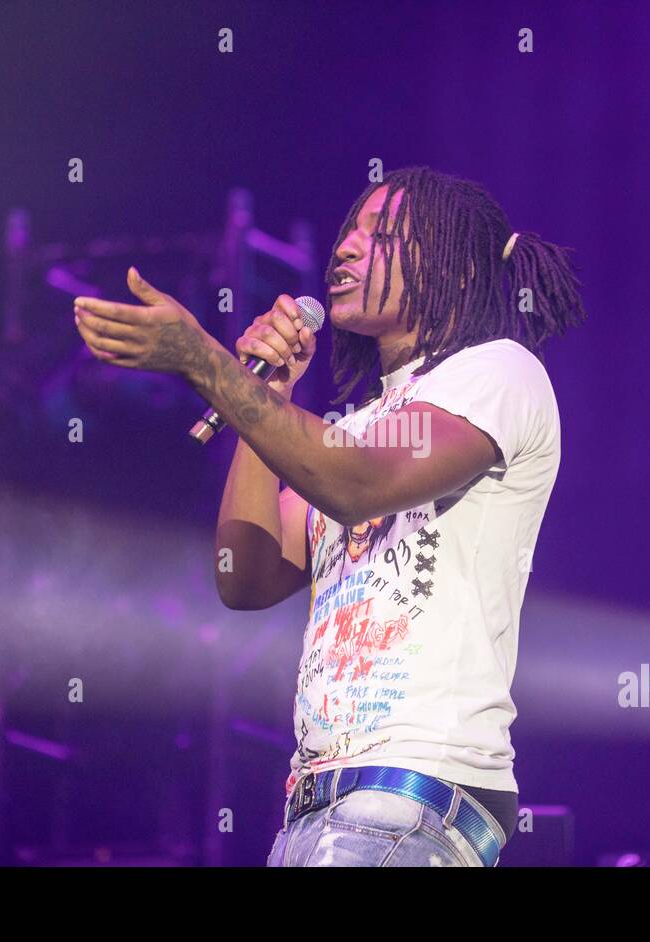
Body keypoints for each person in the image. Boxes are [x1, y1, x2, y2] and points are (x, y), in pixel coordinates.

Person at [72, 165, 586, 866]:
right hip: (321, 805)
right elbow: (245, 575)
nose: (345, 248)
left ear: (456, 268)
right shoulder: (364, 424)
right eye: (349, 233)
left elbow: (358, 484)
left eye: (381, 236)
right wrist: (262, 396)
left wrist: (205, 363)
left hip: (411, 797)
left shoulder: (499, 372)